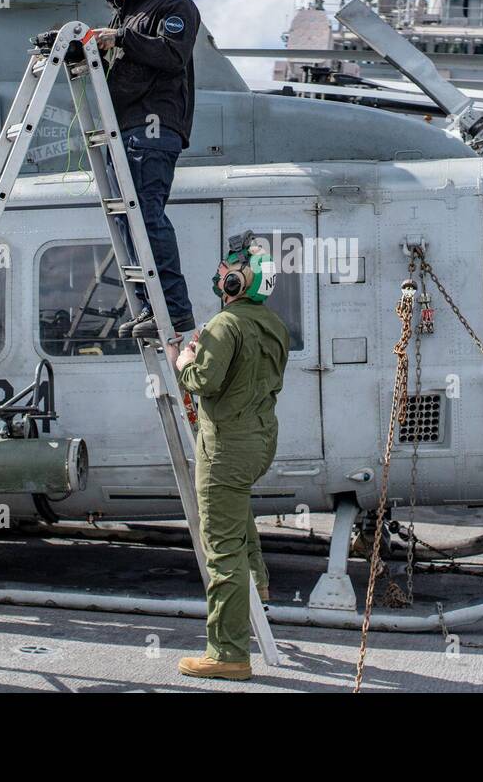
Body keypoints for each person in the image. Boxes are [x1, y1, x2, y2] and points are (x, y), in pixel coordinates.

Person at [173, 232, 289, 681]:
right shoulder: (272, 324)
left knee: (220, 551)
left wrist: (184, 358)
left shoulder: (225, 325)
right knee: (237, 514)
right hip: (260, 442)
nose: (222, 274)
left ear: (240, 282)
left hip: (225, 447)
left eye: (228, 270)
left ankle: (227, 653)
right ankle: (258, 580)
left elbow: (203, 380)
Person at [95, 0, 200, 339]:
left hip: (153, 125)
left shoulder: (173, 5)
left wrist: (119, 38)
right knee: (126, 219)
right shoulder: (128, 12)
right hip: (124, 126)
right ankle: (147, 306)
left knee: (146, 214)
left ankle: (173, 312)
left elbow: (171, 54)